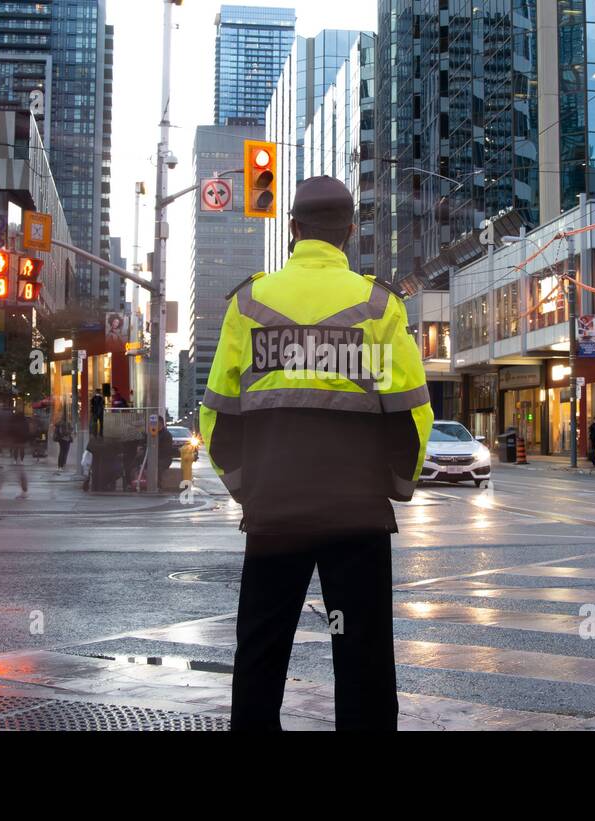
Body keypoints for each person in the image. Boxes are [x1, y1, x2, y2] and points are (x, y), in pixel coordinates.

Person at [200, 175, 433, 732]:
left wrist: (248, 490)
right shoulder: (379, 305)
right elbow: (411, 413)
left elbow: (215, 417)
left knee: (261, 650)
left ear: (294, 229)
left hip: (275, 514)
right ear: (349, 234)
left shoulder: (249, 303)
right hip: (356, 517)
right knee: (363, 656)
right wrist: (394, 489)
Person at [0, 409, 30, 499]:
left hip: (13, 445)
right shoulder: (24, 422)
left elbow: (9, 431)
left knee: (9, 470)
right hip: (20, 445)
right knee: (14, 469)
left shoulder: (14, 421)